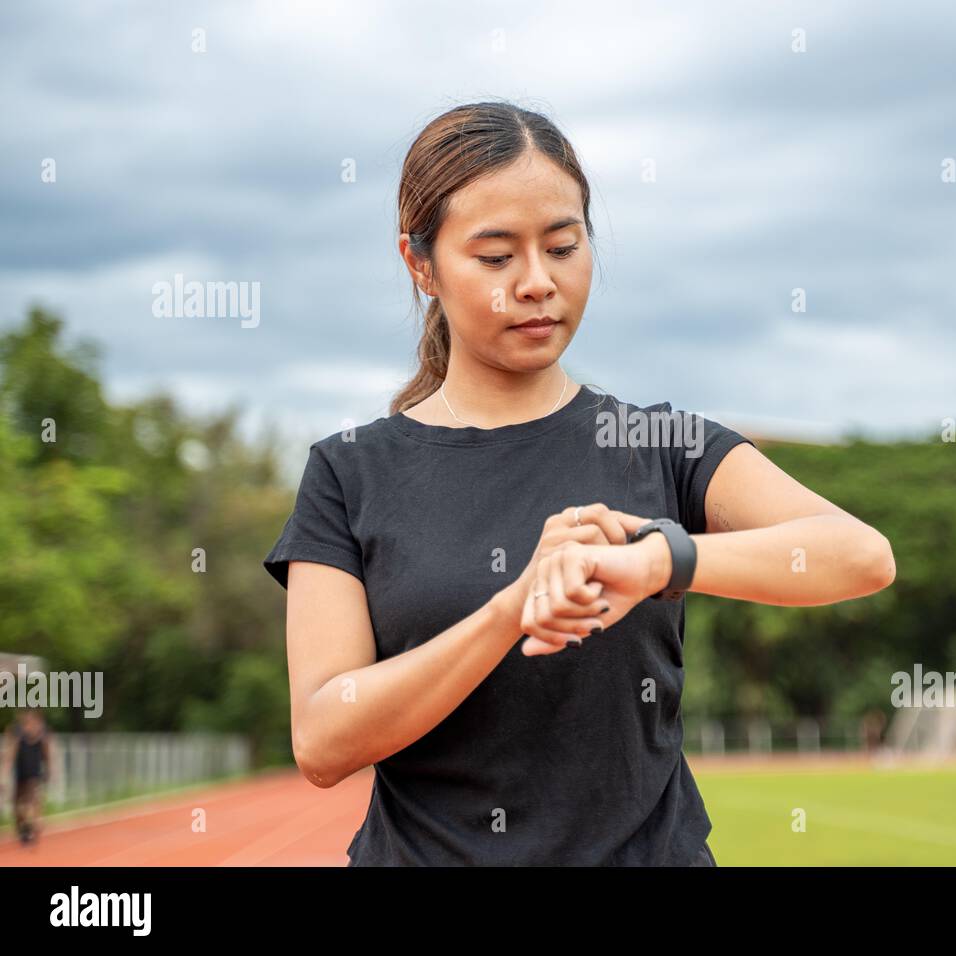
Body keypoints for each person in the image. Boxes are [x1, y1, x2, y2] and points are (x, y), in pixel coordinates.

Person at [263, 101, 897, 866]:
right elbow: (324, 740)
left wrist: (661, 560)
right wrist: (510, 608)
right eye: (496, 258)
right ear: (420, 265)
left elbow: (860, 555)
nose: (537, 283)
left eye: (563, 246)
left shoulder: (658, 442)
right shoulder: (349, 472)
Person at [2, 709, 51, 846]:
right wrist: (4, 775)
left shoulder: (42, 734)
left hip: (34, 774)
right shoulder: (17, 734)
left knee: (32, 800)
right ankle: (24, 827)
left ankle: (32, 824)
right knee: (17, 805)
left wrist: (49, 770)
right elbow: (10, 756)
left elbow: (47, 754)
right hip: (20, 773)